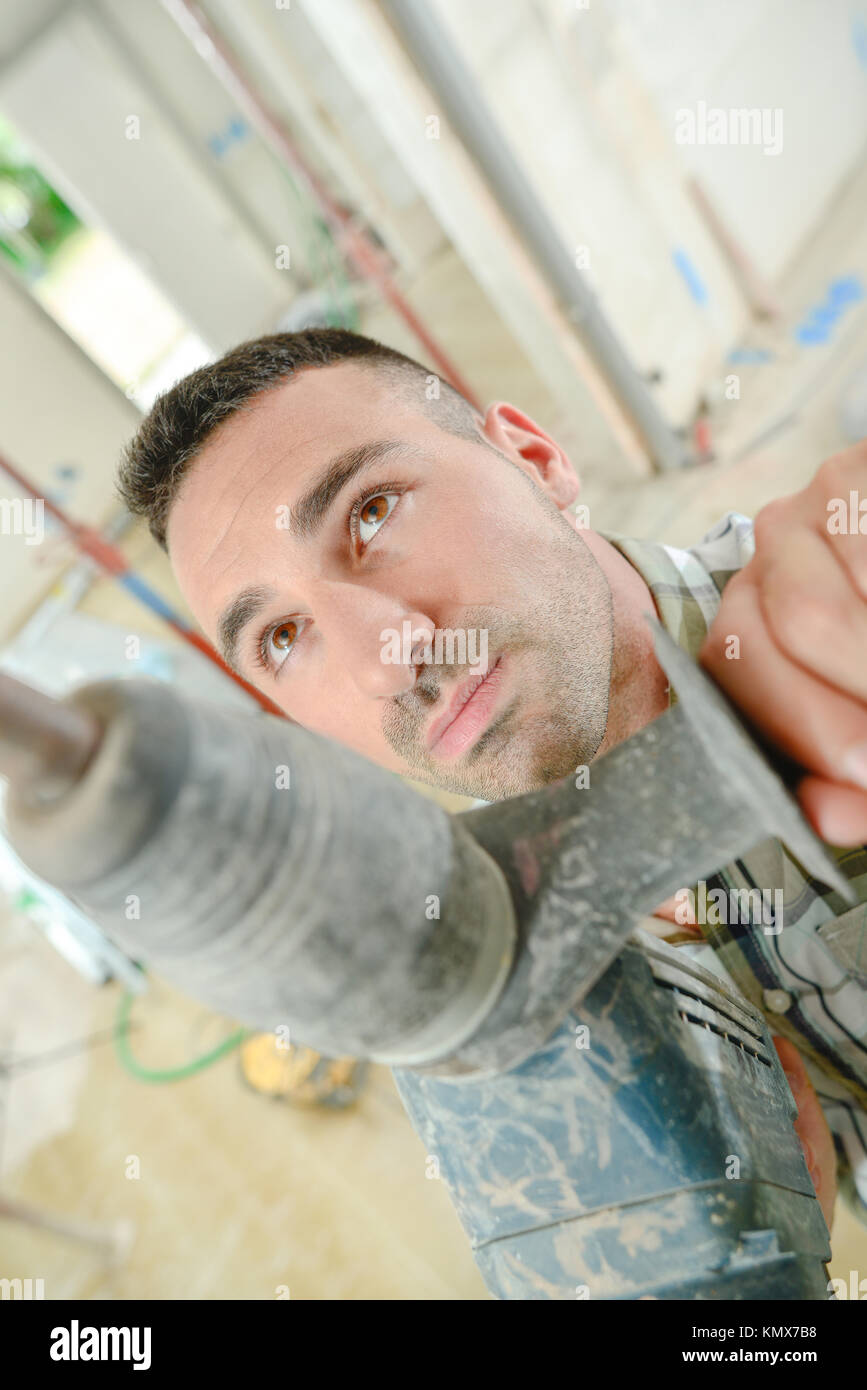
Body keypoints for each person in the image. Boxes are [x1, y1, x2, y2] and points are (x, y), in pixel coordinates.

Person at [117, 328, 867, 1235]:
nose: (386, 661)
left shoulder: (835, 612)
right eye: (282, 637)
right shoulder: (488, 957)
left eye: (372, 512)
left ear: (536, 460)